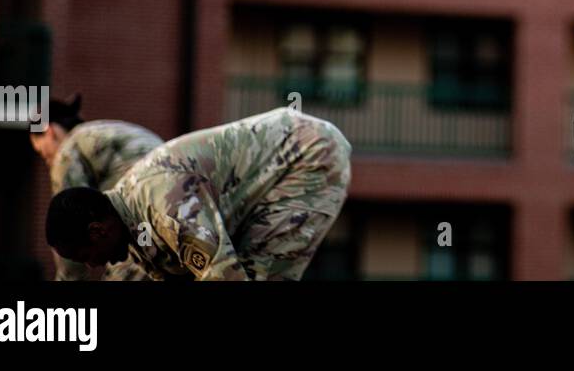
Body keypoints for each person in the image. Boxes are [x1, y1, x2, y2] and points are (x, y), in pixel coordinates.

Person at [45, 106, 351, 281]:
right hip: (267, 177)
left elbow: (223, 275)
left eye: (85, 256)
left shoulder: (164, 206)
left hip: (306, 155)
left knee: (256, 276)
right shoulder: (131, 228)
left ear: (97, 231)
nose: (91, 267)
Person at [29, 94, 161, 280]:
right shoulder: (101, 130)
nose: (49, 162)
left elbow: (69, 228)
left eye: (44, 154)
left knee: (126, 273)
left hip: (142, 222)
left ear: (49, 131)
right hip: (163, 211)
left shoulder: (67, 152)